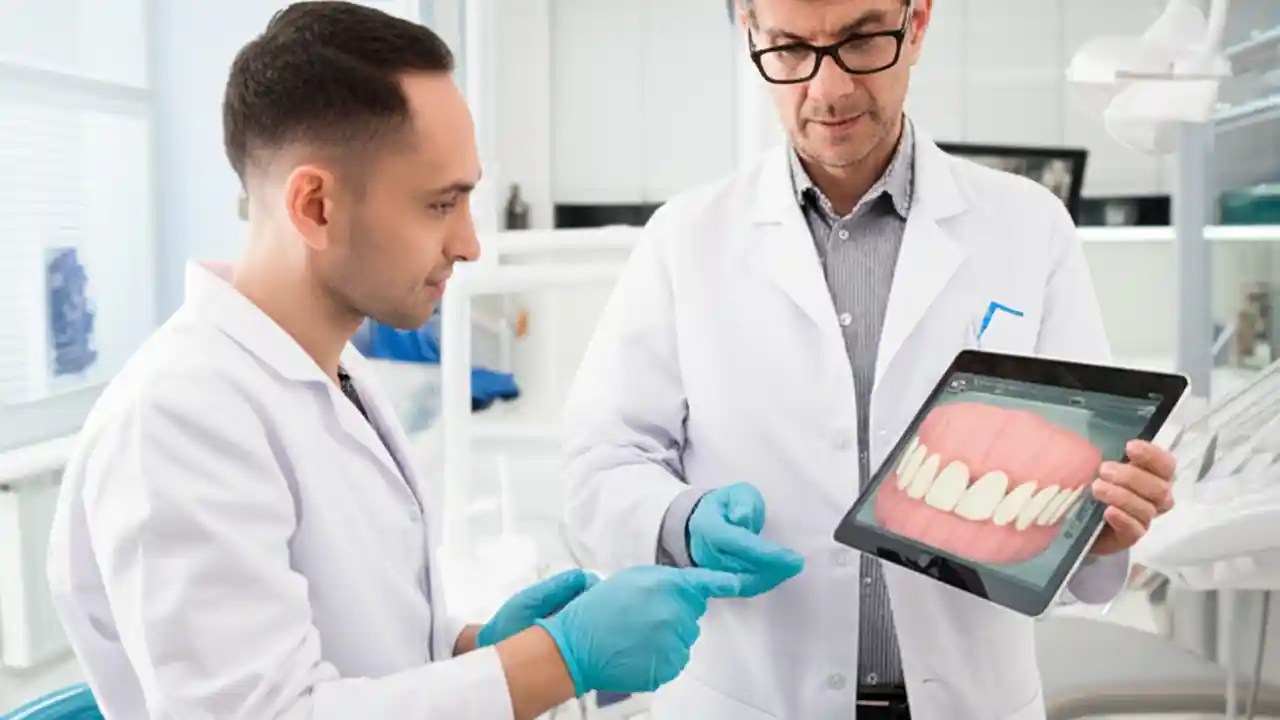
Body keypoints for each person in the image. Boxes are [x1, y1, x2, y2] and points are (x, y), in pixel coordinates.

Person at [45, 4, 743, 718]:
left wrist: (476, 646)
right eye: (441, 204)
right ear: (315, 206)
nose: (470, 243)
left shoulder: (334, 373)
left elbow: (363, 653)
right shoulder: (177, 419)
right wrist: (555, 659)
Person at [560, 0, 1180, 718]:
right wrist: (679, 520)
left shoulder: (1027, 226)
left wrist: (1096, 529)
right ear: (751, 36)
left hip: (971, 697)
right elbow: (599, 464)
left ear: (916, 24)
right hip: (750, 695)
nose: (828, 90)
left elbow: (1084, 475)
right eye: (790, 48)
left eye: (859, 40)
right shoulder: (684, 239)